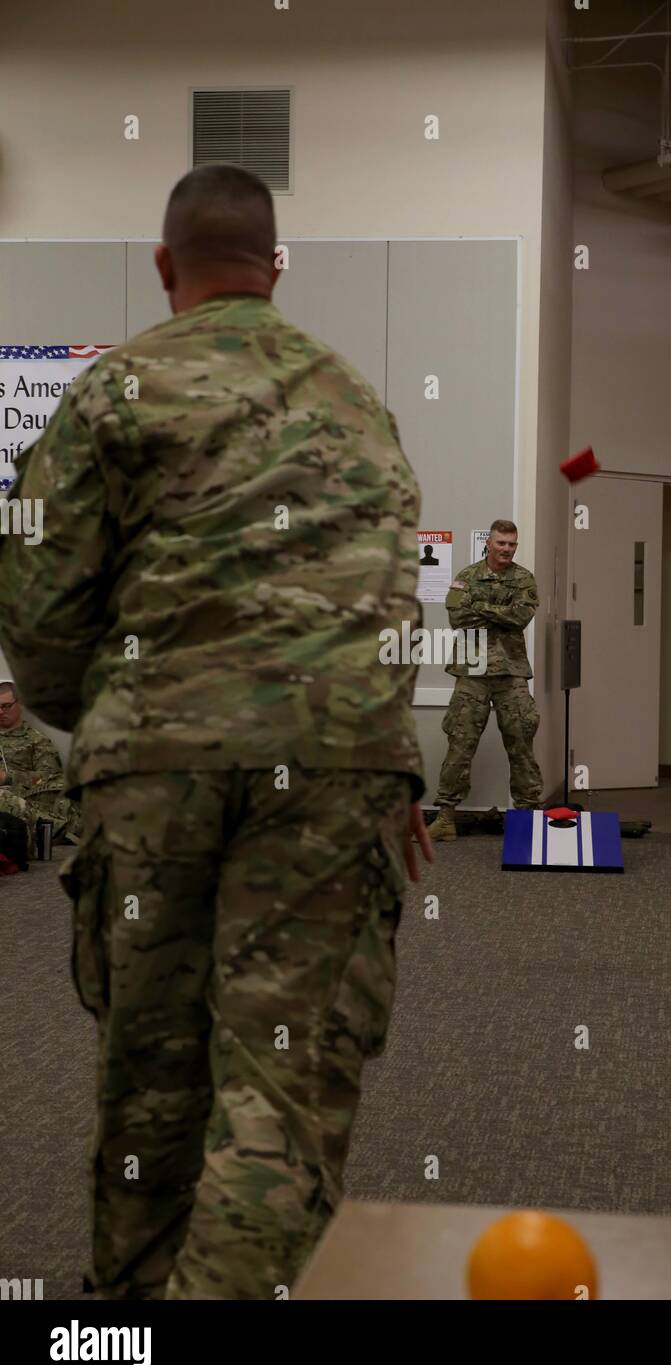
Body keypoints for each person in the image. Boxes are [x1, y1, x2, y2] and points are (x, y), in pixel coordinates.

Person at [0, 162, 433, 1300]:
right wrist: (394, 773)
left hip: (154, 767)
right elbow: (389, 599)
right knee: (277, 1084)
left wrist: (106, 719)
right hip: (333, 773)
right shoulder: (353, 396)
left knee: (149, 1076)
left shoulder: (114, 389)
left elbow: (40, 619)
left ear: (164, 265)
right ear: (275, 266)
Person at [427, 521, 543, 841]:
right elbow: (456, 616)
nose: (507, 549)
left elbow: (521, 616)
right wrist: (500, 611)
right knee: (460, 743)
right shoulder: (466, 576)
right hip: (471, 671)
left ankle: (527, 817)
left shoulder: (524, 579)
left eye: (512, 544)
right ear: (489, 543)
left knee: (521, 741)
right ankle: (446, 818)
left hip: (511, 671)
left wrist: (479, 606)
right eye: (501, 543)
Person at [0, 680, 81, 850]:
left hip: (22, 798)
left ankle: (54, 830)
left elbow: (49, 779)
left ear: (19, 703)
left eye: (6, 706)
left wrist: (8, 778)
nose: (0, 712)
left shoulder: (36, 741)